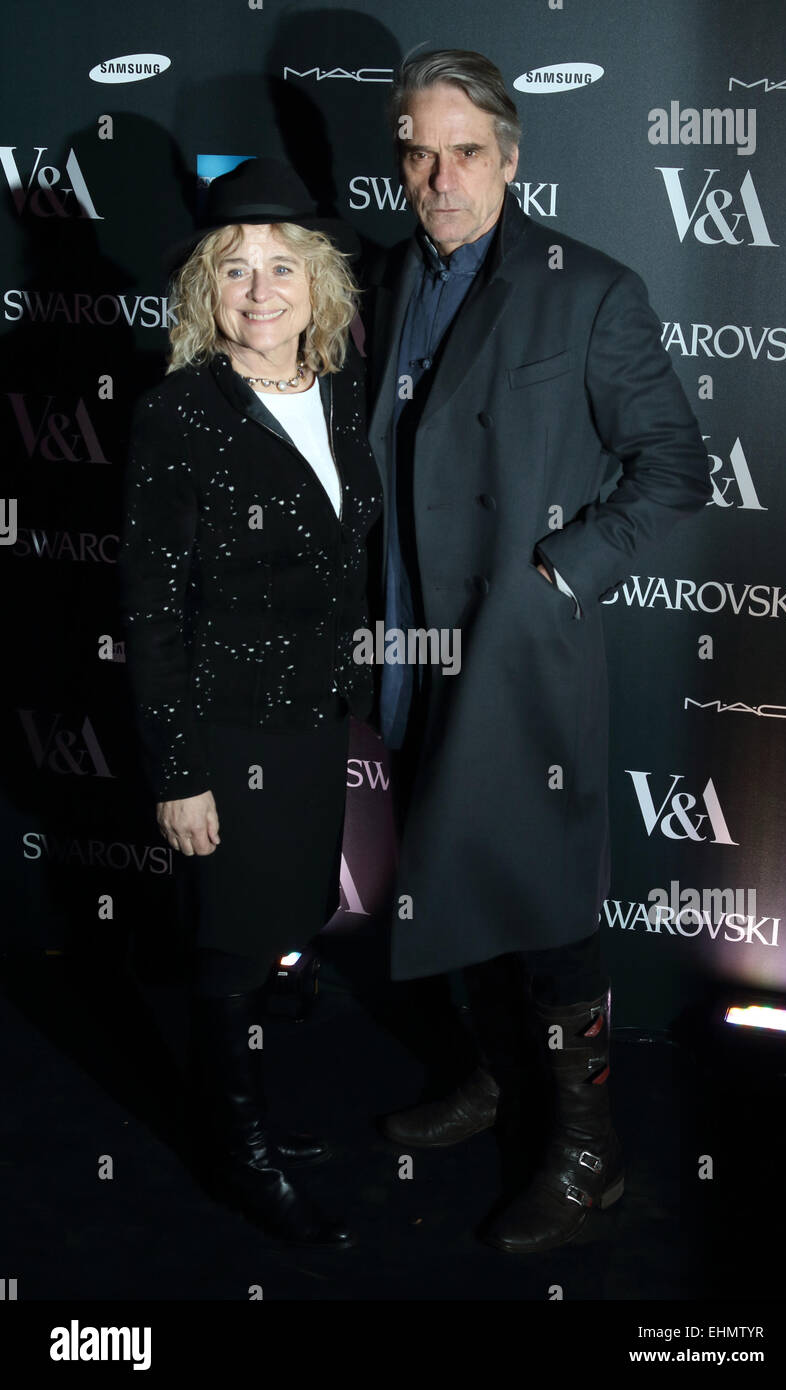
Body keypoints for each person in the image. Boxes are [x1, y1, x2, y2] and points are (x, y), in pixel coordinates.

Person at [361, 51, 713, 1253]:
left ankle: (588, 1155)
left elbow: (676, 466)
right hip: (403, 649)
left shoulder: (587, 290)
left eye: (465, 150)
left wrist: (565, 566)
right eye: (418, 149)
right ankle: (494, 1079)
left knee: (548, 907)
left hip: (515, 659)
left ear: (511, 156)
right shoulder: (379, 279)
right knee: (441, 875)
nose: (440, 175)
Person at [118, 158, 382, 1248]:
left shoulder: (344, 389)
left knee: (283, 923)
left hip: (315, 718)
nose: (261, 289)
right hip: (226, 728)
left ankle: (241, 1122)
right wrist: (177, 769)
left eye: (283, 267)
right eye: (236, 270)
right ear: (205, 291)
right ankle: (240, 1155)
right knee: (232, 951)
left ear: (319, 282)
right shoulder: (178, 413)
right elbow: (148, 609)